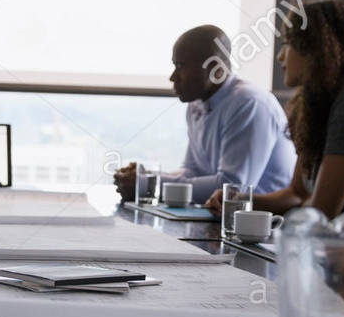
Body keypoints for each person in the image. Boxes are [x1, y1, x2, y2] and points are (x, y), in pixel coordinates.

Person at [205, 0, 344, 219]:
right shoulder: (318, 108)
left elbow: (322, 212)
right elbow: (296, 194)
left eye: (289, 43)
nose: (280, 55)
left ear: (320, 51)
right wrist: (240, 201)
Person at [113, 25, 294, 204]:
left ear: (215, 68)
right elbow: (192, 170)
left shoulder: (249, 103)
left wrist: (149, 184)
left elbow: (232, 188)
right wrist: (146, 176)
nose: (173, 77)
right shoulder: (197, 103)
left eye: (181, 66)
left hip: (262, 226)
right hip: (222, 218)